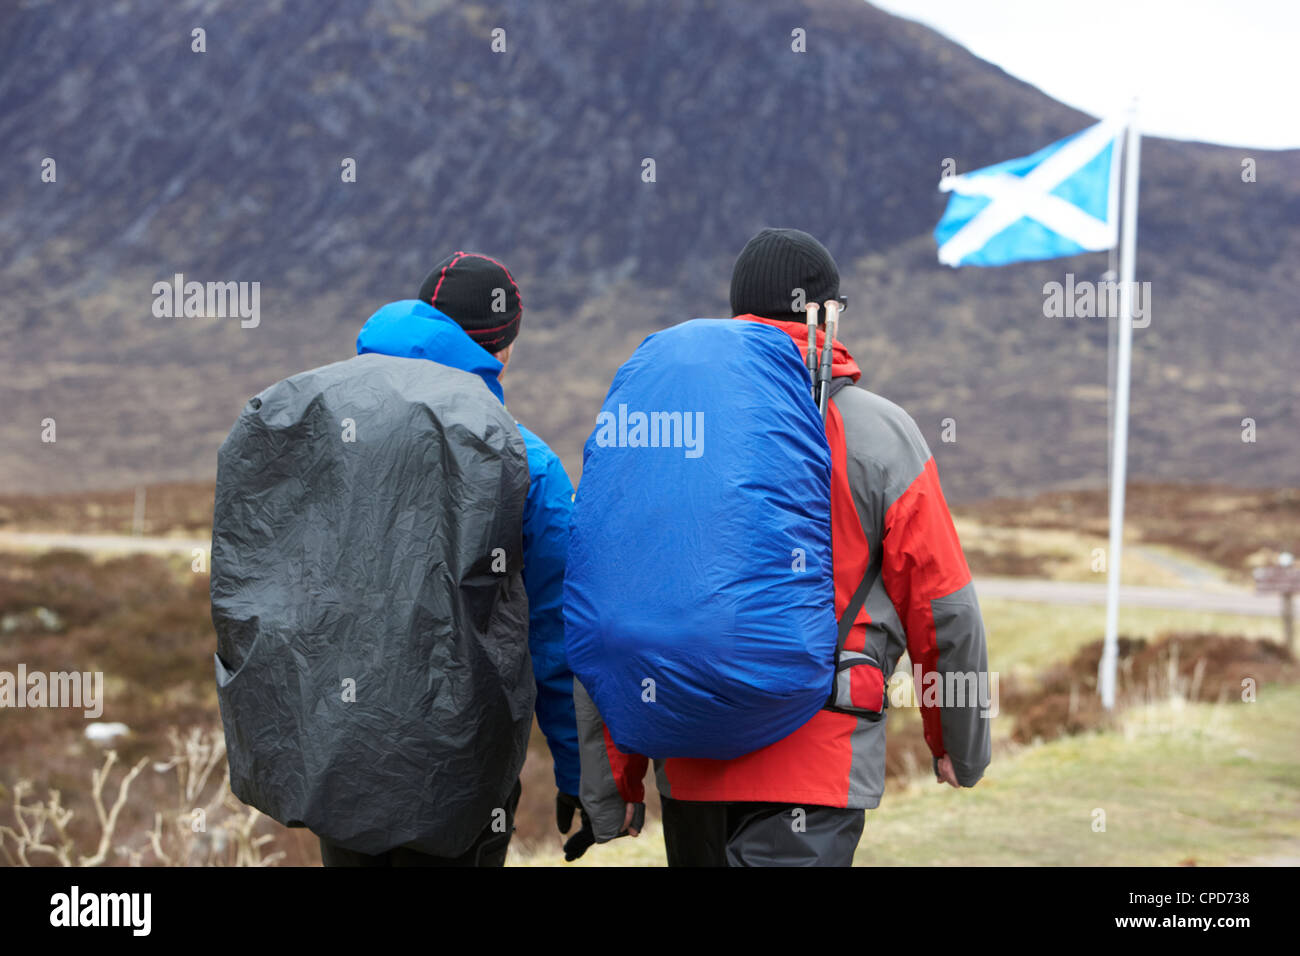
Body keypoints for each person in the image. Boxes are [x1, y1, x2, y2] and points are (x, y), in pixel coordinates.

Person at [574, 228, 992, 866]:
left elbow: (614, 604)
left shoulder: (672, 430)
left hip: (691, 756)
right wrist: (958, 743)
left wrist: (614, 783)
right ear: (824, 314)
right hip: (816, 758)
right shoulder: (879, 431)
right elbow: (943, 607)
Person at [317, 251, 584, 866]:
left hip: (337, 746)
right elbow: (555, 634)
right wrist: (580, 774)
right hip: (462, 762)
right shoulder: (525, 461)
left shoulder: (330, 428)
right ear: (504, 348)